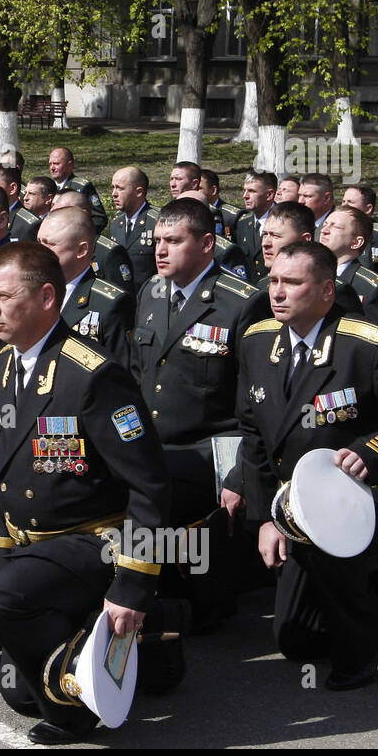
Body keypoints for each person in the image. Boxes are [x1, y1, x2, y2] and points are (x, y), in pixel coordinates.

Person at [223, 242, 378, 689]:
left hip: (368, 491)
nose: (277, 293)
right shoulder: (256, 341)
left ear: (326, 290)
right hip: (295, 502)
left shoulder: (371, 346)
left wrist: (371, 453)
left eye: (293, 283)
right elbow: (253, 434)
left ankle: (362, 650)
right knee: (297, 641)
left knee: (333, 563)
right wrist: (266, 516)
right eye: (273, 281)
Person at [0, 241, 171, 744]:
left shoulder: (93, 376)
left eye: (3, 296)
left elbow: (148, 485)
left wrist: (133, 585)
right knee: (17, 688)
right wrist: (0, 549)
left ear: (45, 298)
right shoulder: (0, 365)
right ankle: (119, 647)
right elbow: (3, 467)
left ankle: (76, 709)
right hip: (28, 542)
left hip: (94, 540)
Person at [131, 197, 259, 627]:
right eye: (158, 240)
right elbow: (139, 372)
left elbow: (253, 399)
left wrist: (239, 474)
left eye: (173, 240)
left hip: (210, 451)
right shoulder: (151, 290)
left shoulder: (240, 302)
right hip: (156, 446)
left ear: (207, 244)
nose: (160, 249)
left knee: (210, 605)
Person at [36, 207, 134, 367]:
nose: (39, 252)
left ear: (81, 250)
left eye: (50, 244)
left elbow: (120, 371)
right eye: (39, 242)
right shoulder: (31, 291)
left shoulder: (110, 304)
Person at [319, 205, 378, 322]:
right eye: (325, 224)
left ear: (356, 242)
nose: (324, 231)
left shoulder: (371, 288)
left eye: (335, 227)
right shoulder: (311, 275)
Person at [109, 166, 158, 291]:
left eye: (120, 188)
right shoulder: (115, 224)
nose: (114, 194)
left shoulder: (157, 222)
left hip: (150, 296)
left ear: (139, 192)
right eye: (113, 187)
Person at [342, 184, 378, 282]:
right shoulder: (336, 231)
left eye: (350, 202)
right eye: (343, 201)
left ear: (368, 209)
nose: (344, 205)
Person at [47, 147, 106, 232]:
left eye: (56, 164)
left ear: (69, 165)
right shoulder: (48, 186)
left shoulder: (82, 187)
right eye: (50, 164)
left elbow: (99, 218)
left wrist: (81, 233)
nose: (52, 168)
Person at [232, 170, 277, 281]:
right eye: (244, 191)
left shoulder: (284, 221)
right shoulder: (243, 222)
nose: (245, 196)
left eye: (251, 191)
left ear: (269, 195)